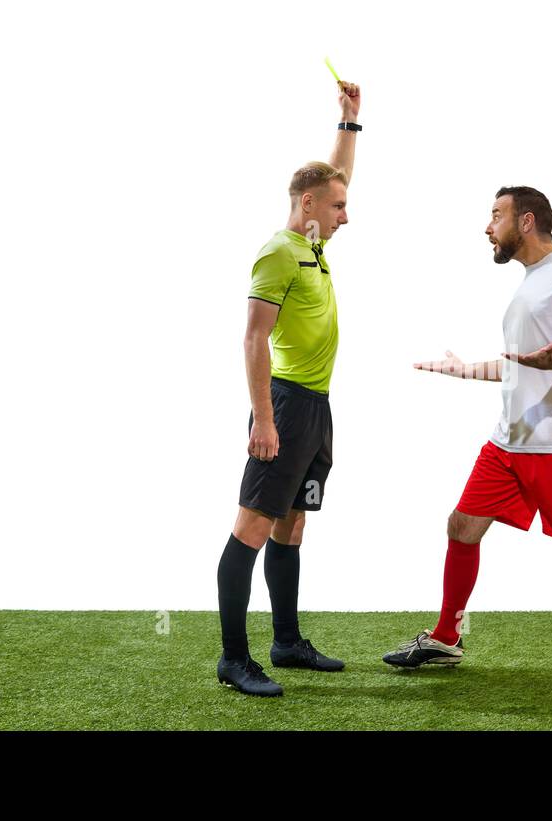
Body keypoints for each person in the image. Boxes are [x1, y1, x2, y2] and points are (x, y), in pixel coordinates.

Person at [382, 186, 552, 693]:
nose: (488, 227)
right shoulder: (528, 284)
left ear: (526, 221)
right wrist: (465, 370)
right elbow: (519, 368)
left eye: (496, 216)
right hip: (509, 440)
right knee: (462, 527)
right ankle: (446, 636)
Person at [215, 79, 362, 697]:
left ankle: (286, 641)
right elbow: (253, 339)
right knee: (251, 525)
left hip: (317, 406)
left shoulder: (313, 245)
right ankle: (233, 658)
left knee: (293, 523)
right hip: (283, 405)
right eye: (335, 207)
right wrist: (263, 420)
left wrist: (349, 122)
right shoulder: (278, 252)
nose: (345, 214)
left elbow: (336, 176)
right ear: (307, 206)